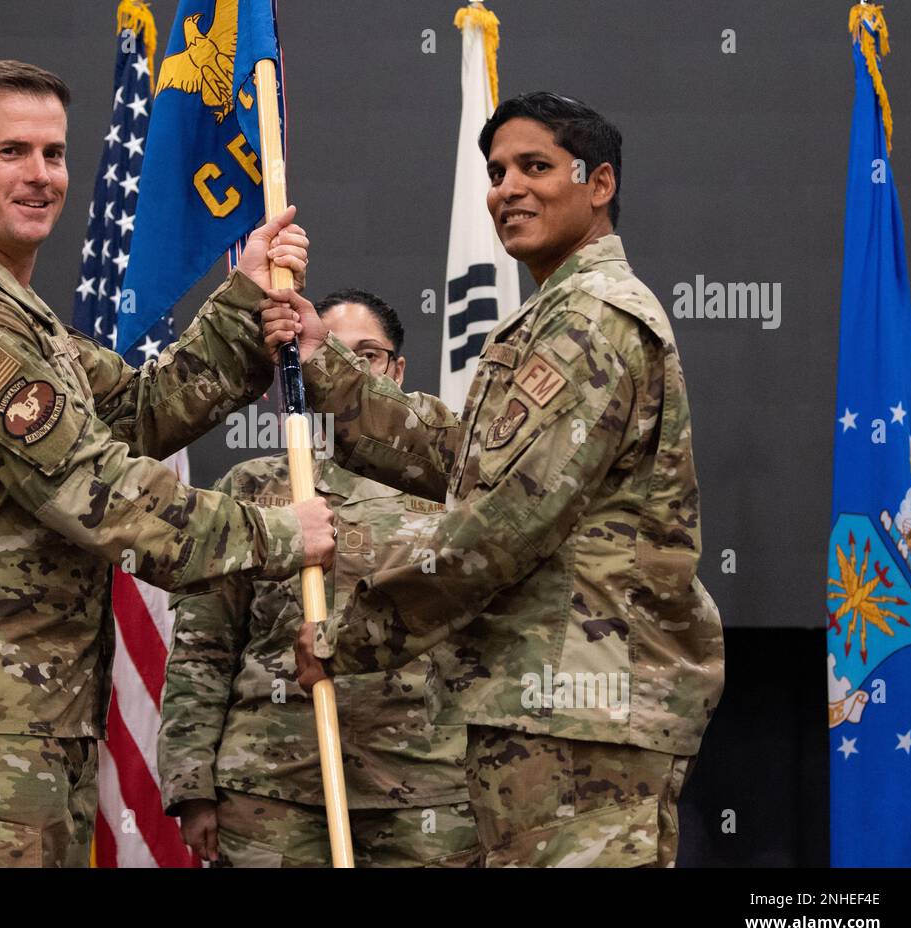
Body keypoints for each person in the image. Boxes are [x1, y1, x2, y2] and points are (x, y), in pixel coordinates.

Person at [0, 59, 335, 868]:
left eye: (53, 154)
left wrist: (247, 300)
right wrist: (276, 533)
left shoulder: (20, 318)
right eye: (12, 152)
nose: (41, 176)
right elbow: (94, 489)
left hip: (29, 721)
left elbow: (142, 413)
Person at [271, 92, 724, 867]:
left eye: (535, 167)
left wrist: (348, 637)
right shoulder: (557, 313)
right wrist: (328, 367)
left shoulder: (593, 318)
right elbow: (474, 462)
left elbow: (499, 526)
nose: (507, 188)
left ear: (600, 182)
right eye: (496, 171)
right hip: (550, 708)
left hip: (583, 712)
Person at [158, 289, 480, 867]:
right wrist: (192, 785)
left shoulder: (449, 493)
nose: (349, 367)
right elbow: (203, 648)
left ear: (397, 369)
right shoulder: (251, 489)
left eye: (369, 355)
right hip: (272, 789)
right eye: (330, 350)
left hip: (424, 788)